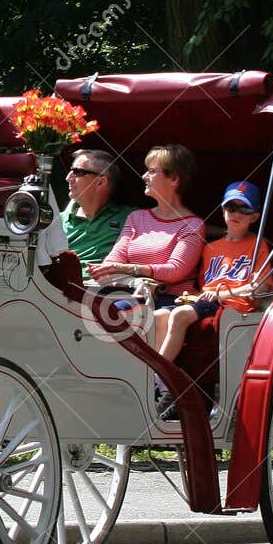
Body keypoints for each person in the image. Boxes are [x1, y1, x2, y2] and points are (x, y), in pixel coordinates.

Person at [88, 144, 205, 417]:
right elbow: (113, 260)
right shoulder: (136, 218)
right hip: (131, 294)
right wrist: (117, 269)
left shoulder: (192, 225)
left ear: (174, 178)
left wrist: (127, 269)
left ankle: (162, 389)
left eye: (152, 171)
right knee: (95, 314)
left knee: (129, 315)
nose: (144, 176)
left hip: (170, 299)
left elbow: (175, 270)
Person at [153, 181, 273, 361]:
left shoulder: (258, 246)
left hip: (233, 306)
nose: (236, 214)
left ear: (254, 217)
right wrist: (191, 297)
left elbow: (259, 287)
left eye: (244, 209)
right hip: (208, 302)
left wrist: (222, 295)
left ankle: (159, 375)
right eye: (231, 207)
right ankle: (151, 380)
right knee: (159, 315)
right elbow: (206, 287)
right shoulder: (210, 248)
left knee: (179, 314)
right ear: (223, 210)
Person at [61, 149, 134, 269]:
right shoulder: (56, 220)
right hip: (58, 286)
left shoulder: (132, 218)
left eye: (77, 172)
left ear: (101, 182)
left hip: (107, 285)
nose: (68, 178)